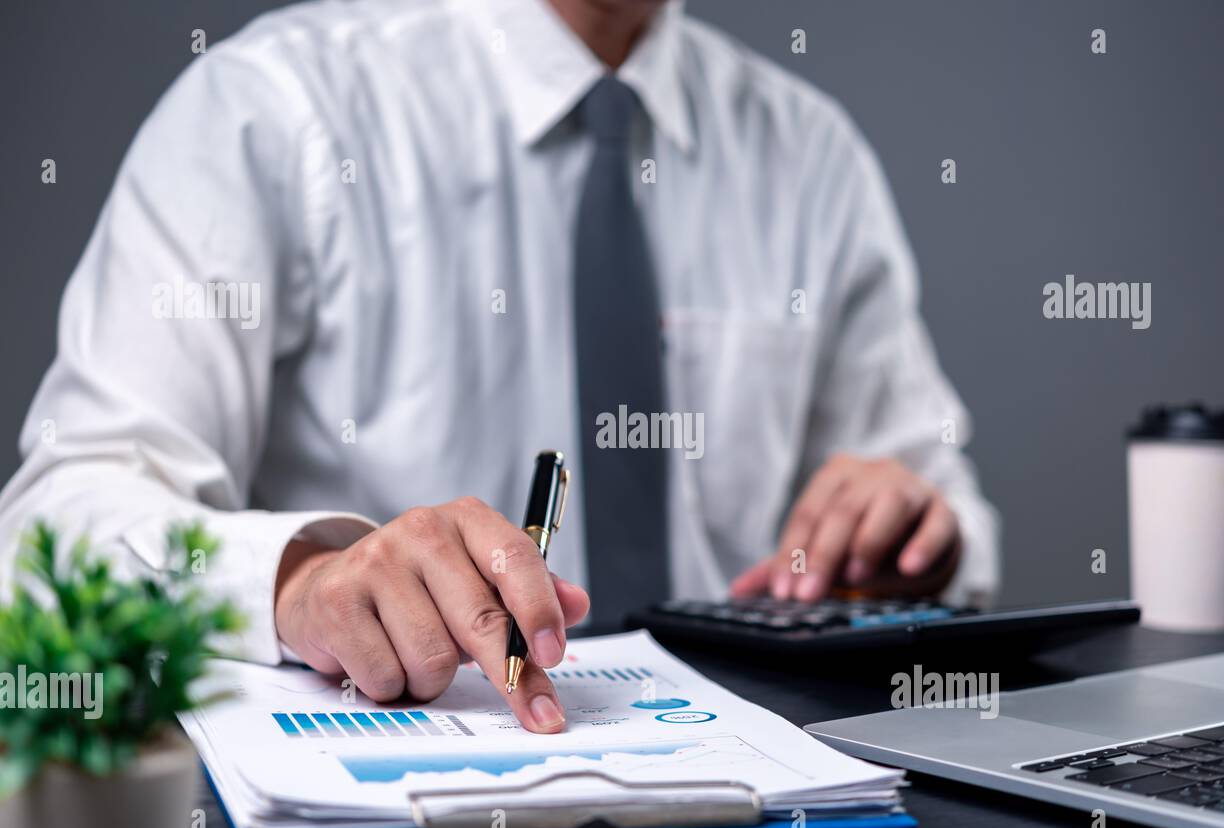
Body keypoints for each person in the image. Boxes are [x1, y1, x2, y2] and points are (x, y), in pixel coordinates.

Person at [0, 0, 998, 734]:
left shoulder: (809, 155)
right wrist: (296, 581)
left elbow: (955, 527)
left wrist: (914, 534)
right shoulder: (272, 110)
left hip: (778, 804)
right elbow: (50, 532)